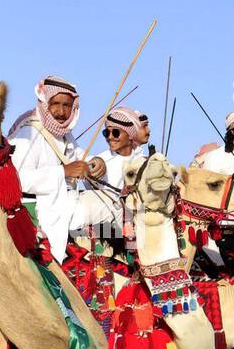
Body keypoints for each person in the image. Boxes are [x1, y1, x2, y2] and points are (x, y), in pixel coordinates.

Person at [8, 75, 95, 261]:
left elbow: (82, 160)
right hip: (34, 213)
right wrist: (63, 172)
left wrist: (96, 165)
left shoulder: (65, 135)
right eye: (55, 104)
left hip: (61, 209)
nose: (61, 112)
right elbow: (15, 180)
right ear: (45, 103)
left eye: (67, 105)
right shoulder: (28, 133)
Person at [91, 107, 148, 190]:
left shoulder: (143, 161)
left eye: (115, 133)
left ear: (130, 135)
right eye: (106, 133)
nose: (110, 137)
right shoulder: (100, 160)